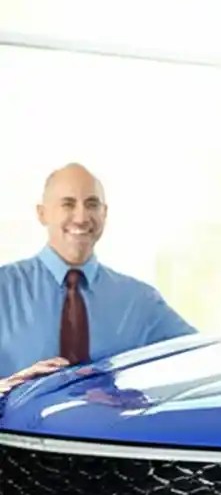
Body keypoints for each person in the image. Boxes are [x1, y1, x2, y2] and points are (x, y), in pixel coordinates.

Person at [0, 163, 196, 389]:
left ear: (104, 213)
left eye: (92, 204)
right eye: (68, 204)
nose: (82, 217)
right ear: (42, 214)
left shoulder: (140, 302)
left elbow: (204, 359)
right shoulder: (4, 289)